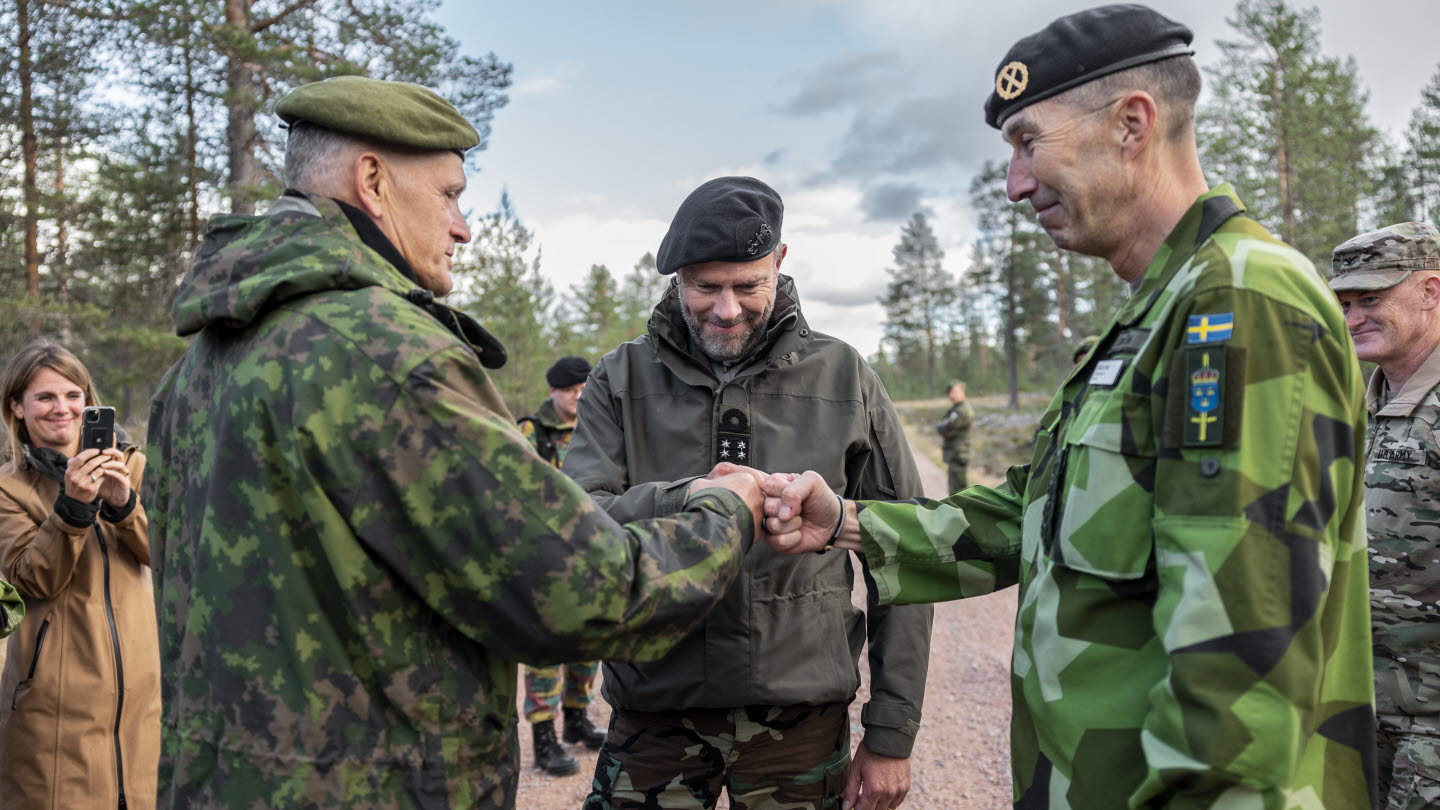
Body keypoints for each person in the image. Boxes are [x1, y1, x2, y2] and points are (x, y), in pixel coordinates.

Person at [759, 6, 1375, 808]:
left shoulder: (1239, 303)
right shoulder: (1151, 316)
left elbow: (1240, 672)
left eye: (1028, 143)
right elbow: (1037, 516)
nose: (1015, 184)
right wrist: (844, 522)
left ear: (1131, 124)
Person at [142, 76, 765, 809]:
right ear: (372, 181)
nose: (463, 227)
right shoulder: (382, 352)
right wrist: (729, 510)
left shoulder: (199, 367)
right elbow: (585, 593)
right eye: (448, 195)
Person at [564, 176, 934, 810]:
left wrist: (892, 733)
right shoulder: (618, 378)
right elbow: (576, 525)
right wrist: (692, 500)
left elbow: (904, 551)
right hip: (655, 715)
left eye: (747, 286)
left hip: (801, 725)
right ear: (676, 277)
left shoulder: (845, 376)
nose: (727, 309)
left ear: (780, 261)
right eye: (705, 287)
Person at [0, 337, 160, 810]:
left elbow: (167, 553)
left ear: (89, 402)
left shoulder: (133, 466)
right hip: (52, 710)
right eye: (45, 397)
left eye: (73, 395)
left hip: (140, 704)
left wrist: (123, 504)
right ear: (17, 407)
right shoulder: (8, 488)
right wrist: (72, 507)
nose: (62, 408)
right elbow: (32, 580)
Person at [1329, 221, 1440, 806]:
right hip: (1366, 713)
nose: (1352, 319)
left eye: (1371, 299)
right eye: (1345, 303)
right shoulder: (1362, 402)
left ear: (1430, 291)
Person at [517, 355, 606, 775]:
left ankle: (576, 720)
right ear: (553, 391)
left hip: (590, 552)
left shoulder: (597, 426)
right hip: (544, 558)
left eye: (583, 390)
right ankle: (543, 738)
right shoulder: (531, 432)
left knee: (588, 644)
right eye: (570, 391)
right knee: (546, 651)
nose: (577, 397)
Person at [935, 380, 975, 491]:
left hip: (959, 454)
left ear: (963, 392)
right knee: (955, 489)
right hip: (955, 454)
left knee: (959, 491)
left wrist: (942, 428)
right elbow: (944, 426)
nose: (952, 395)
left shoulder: (962, 410)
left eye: (955, 392)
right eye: (950, 392)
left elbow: (945, 428)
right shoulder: (956, 409)